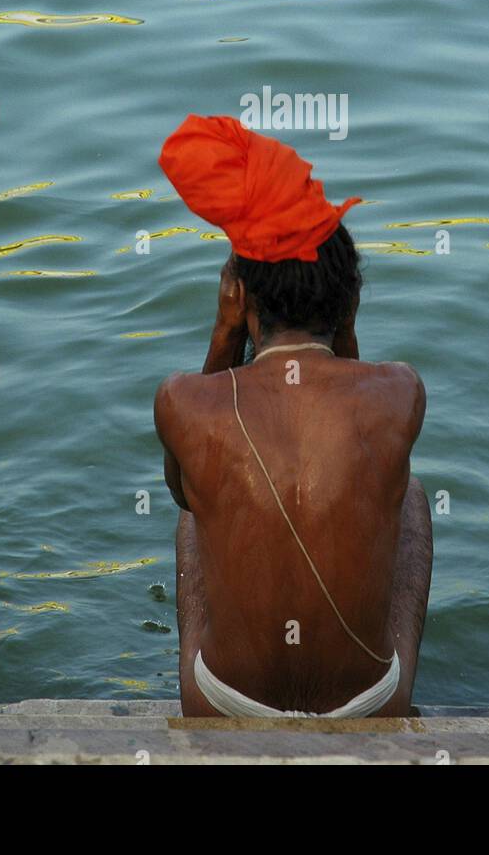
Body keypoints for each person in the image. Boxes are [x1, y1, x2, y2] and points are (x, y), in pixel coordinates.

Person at [153, 115, 432, 717]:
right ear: (349, 298)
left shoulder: (179, 399)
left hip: (224, 702)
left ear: (241, 297)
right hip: (370, 702)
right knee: (408, 495)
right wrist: (348, 324)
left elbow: (182, 495)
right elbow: (354, 420)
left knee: (198, 504)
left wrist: (226, 329)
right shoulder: (402, 391)